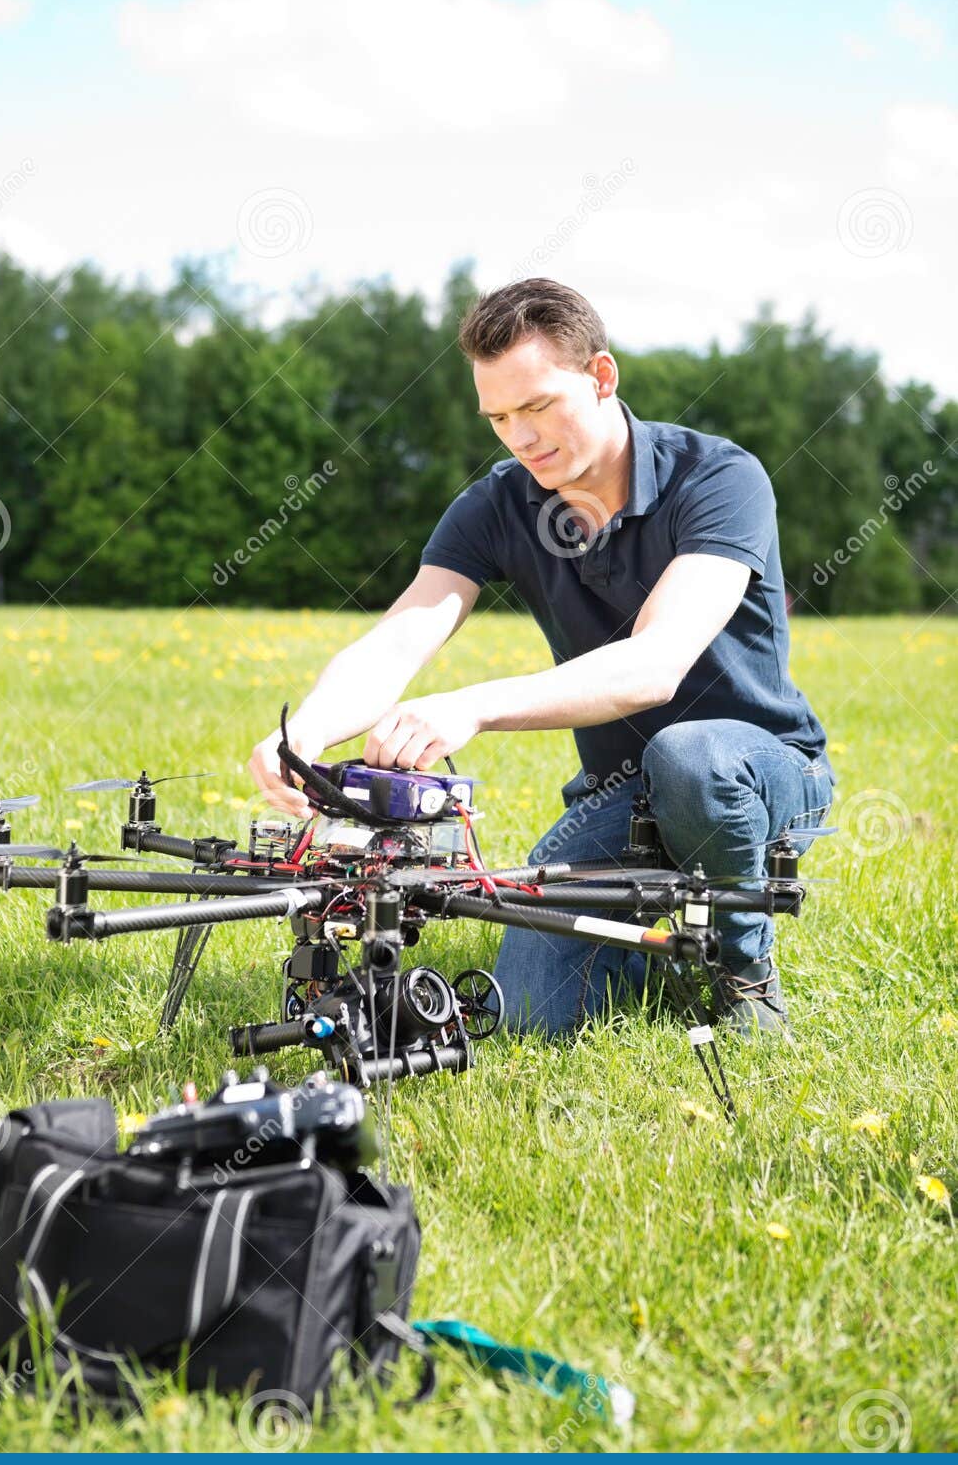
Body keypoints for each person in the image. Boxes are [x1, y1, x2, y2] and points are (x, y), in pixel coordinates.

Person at [249, 279, 834, 1038]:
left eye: (536, 407)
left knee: (691, 756)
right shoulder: (499, 502)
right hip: (621, 798)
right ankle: (657, 940)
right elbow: (402, 635)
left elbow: (654, 664)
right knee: (527, 1021)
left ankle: (739, 969)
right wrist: (306, 734)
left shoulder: (718, 478)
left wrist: (471, 706)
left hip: (760, 774)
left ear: (600, 377)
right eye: (498, 417)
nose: (519, 438)